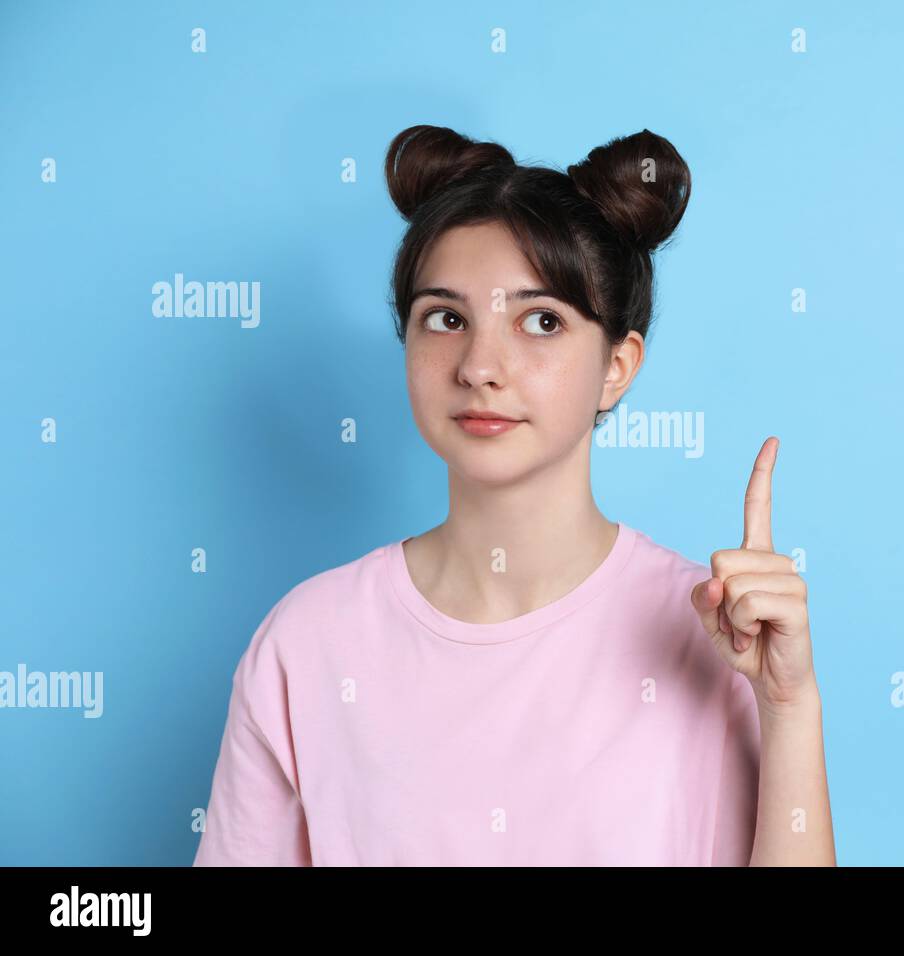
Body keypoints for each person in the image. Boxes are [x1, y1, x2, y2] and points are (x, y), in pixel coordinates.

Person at [193, 125, 835, 866]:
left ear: (617, 366)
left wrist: (788, 706)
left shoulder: (722, 636)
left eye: (541, 321)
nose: (480, 366)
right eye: (446, 318)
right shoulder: (306, 644)